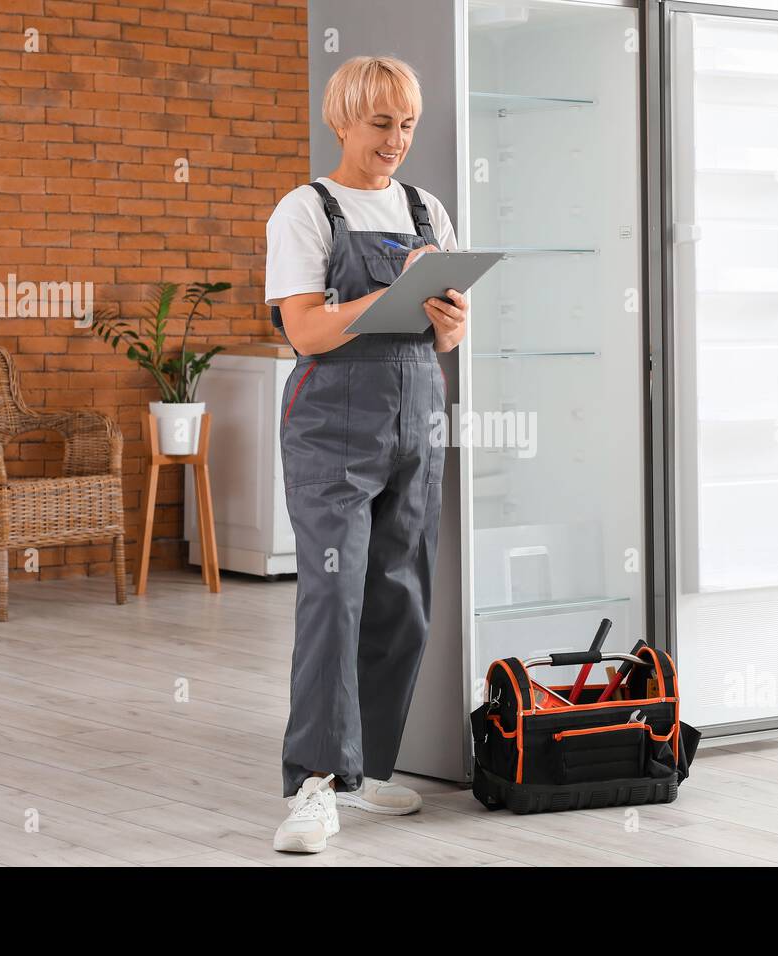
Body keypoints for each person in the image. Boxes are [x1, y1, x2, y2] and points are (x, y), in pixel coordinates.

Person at [263, 55, 468, 853]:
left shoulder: (426, 209)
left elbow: (451, 332)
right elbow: (307, 330)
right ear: (342, 120)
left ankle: (365, 769)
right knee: (333, 597)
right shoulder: (305, 210)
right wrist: (397, 294)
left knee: (400, 595)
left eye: (407, 125)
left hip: (417, 415)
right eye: (381, 123)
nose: (395, 141)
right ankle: (312, 786)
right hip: (332, 426)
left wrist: (446, 314)